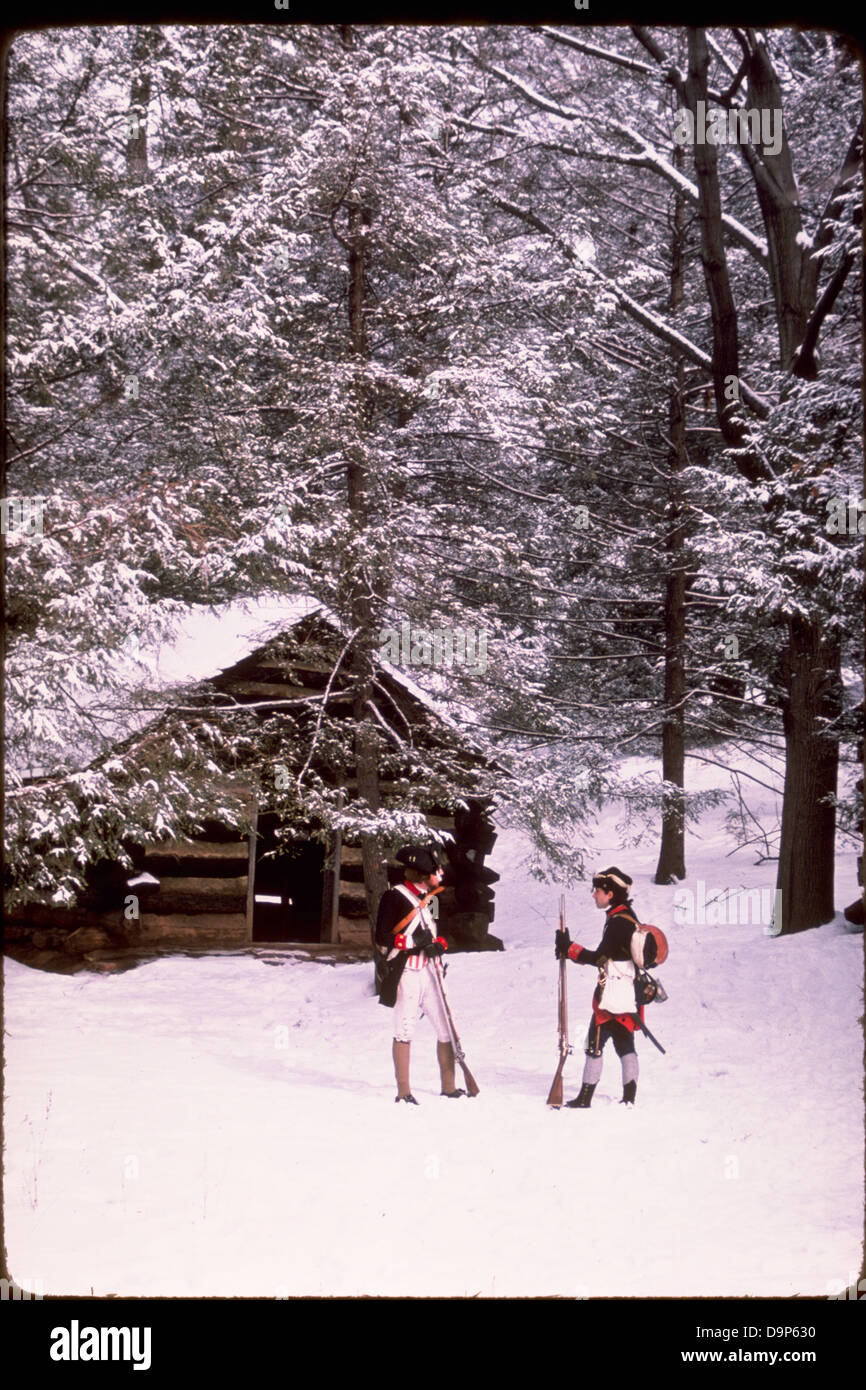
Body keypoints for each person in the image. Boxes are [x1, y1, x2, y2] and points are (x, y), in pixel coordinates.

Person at [375, 845, 464, 1104]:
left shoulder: (431, 898)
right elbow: (382, 937)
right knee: (405, 1029)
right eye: (434, 871)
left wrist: (439, 944)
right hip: (407, 971)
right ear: (421, 874)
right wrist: (412, 942)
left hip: (430, 971)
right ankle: (403, 1091)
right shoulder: (394, 897)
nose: (439, 875)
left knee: (446, 1027)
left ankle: (449, 1086)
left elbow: (439, 929)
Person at [555, 866, 643, 1109]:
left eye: (598, 891)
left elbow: (600, 958)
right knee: (625, 1044)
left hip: (612, 996)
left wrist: (569, 948)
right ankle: (629, 1098)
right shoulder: (625, 916)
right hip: (625, 994)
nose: (594, 895)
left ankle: (585, 1098)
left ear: (610, 894)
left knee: (594, 1044)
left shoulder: (617, 922)